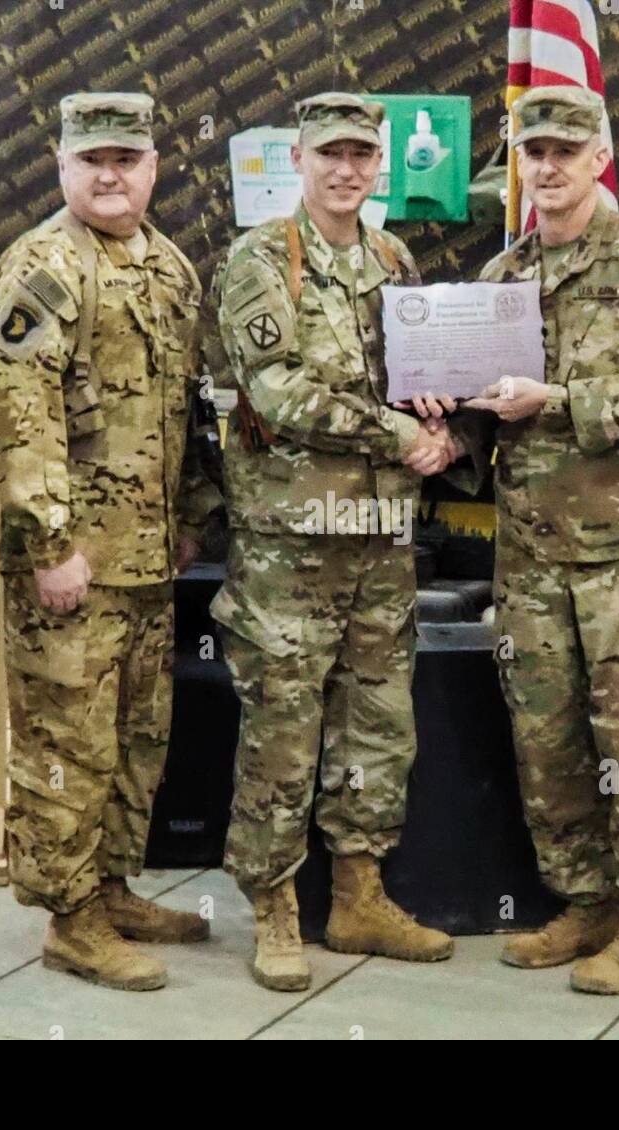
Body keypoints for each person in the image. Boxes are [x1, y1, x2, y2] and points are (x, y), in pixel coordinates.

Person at [211, 92, 470, 991]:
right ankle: (276, 908)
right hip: (292, 544)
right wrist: (395, 435)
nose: (348, 170)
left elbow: (420, 378)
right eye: (332, 155)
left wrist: (441, 423)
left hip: (380, 536)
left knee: (376, 720)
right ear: (300, 159)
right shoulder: (260, 263)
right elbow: (276, 390)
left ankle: (358, 893)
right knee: (283, 727)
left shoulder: (393, 257)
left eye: (363, 155)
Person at [457, 85, 619, 994]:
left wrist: (559, 401)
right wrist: (450, 413)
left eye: (567, 150)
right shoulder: (501, 276)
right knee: (547, 734)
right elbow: (480, 407)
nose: (550, 167)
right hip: (528, 554)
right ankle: (586, 901)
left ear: (600, 155)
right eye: (535, 152)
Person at [0, 93, 221, 992]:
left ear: (155, 166)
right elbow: (22, 413)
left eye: (127, 158)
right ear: (62, 166)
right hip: (76, 562)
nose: (111, 174)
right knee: (67, 745)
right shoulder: (43, 267)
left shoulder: (169, 267)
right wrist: (49, 545)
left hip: (150, 559)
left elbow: (189, 405)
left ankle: (112, 887)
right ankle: (69, 918)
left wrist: (194, 510)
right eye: (94, 160)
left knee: (136, 737)